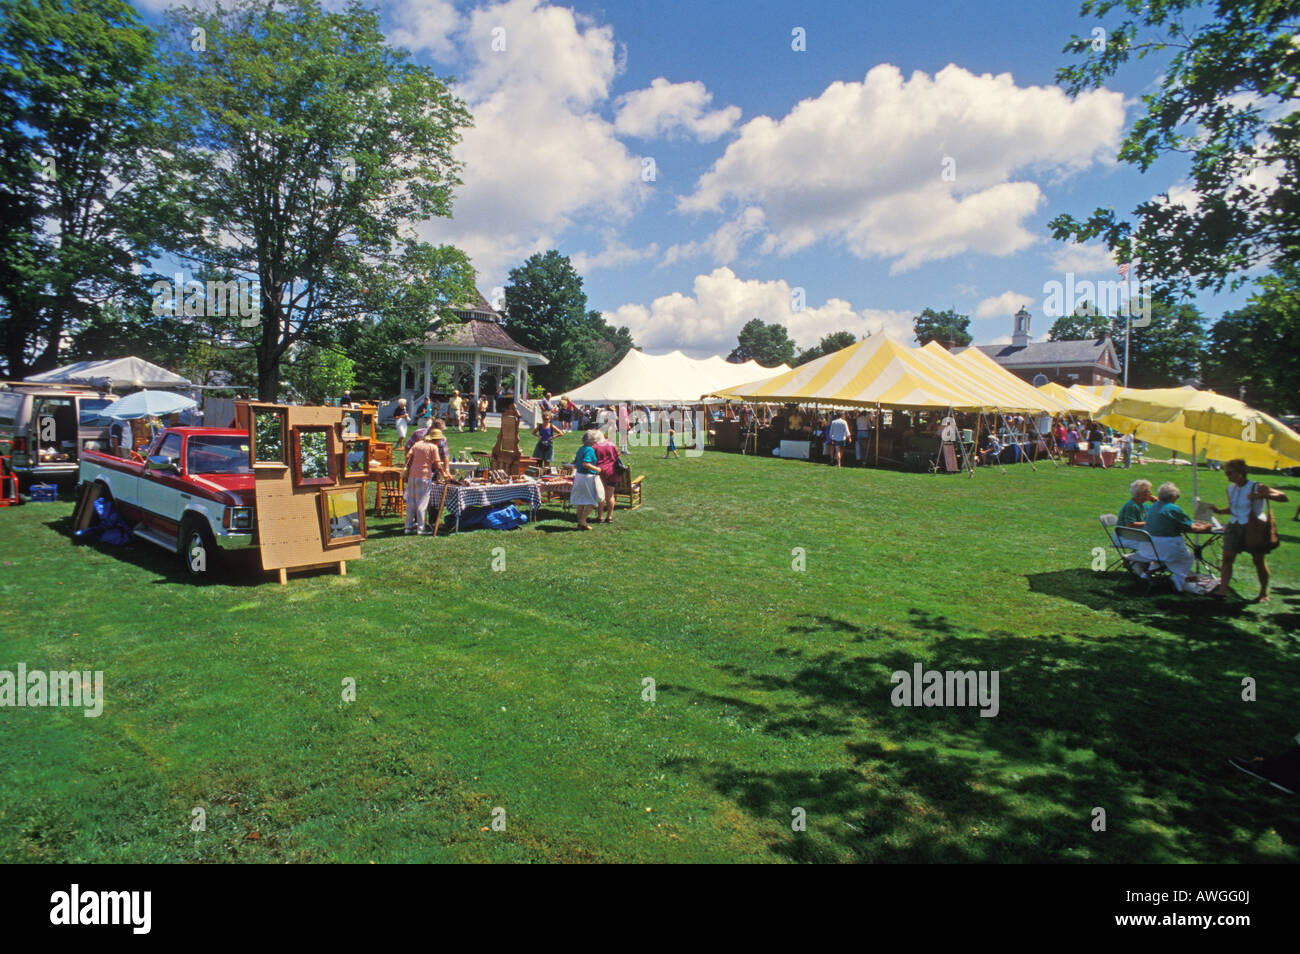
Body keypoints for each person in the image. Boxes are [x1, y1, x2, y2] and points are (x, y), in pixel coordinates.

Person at [1211, 459, 1290, 602]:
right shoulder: (1230, 488)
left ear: (1241, 472)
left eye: (1230, 473)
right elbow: (1235, 508)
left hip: (1253, 527)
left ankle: (1263, 592)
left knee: (1258, 560)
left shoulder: (1256, 486)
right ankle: (1222, 591)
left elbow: (1284, 497)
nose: (1228, 476)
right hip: (1234, 525)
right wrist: (1220, 511)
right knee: (1227, 558)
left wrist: (1263, 496)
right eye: (1226, 473)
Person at [1144, 481, 1213, 593]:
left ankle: (1148, 575)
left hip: (1150, 548)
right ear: (1172, 497)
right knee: (1188, 557)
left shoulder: (1153, 506)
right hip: (1168, 547)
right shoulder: (1172, 508)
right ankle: (1179, 579)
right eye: (1177, 496)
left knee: (1165, 559)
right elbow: (1190, 528)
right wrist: (1206, 527)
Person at [404, 426, 447, 535]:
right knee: (422, 503)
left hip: (412, 475)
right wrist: (444, 474)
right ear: (436, 439)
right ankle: (421, 528)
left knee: (411, 502)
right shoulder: (433, 447)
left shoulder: (417, 444)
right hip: (424, 476)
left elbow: (408, 455)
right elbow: (437, 464)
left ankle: (408, 527)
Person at [570, 429, 605, 530]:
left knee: (581, 501)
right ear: (589, 440)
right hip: (587, 477)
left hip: (579, 476)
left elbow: (575, 462)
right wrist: (597, 469)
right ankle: (583, 521)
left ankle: (580, 523)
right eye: (594, 439)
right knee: (592, 500)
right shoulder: (590, 450)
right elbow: (586, 464)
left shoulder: (581, 449)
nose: (596, 441)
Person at [594, 431, 620, 524]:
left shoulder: (594, 447)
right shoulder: (612, 444)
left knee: (600, 495)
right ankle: (609, 517)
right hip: (612, 471)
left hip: (600, 471)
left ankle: (600, 516)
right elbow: (617, 456)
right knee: (610, 495)